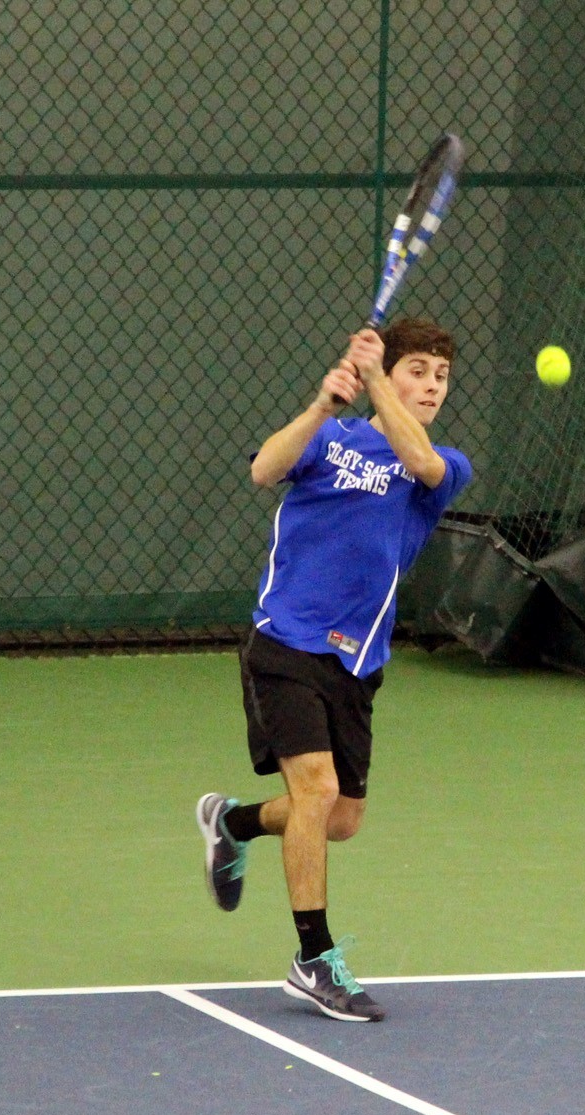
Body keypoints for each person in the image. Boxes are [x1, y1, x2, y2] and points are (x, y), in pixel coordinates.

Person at [195, 317, 472, 1022]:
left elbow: (423, 464)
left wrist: (378, 378)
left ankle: (234, 822)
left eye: (440, 376)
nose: (432, 385)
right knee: (315, 790)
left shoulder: (440, 466)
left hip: (357, 662)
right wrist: (325, 402)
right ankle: (313, 959)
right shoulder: (331, 440)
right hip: (286, 639)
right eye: (419, 370)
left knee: (340, 819)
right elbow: (263, 469)